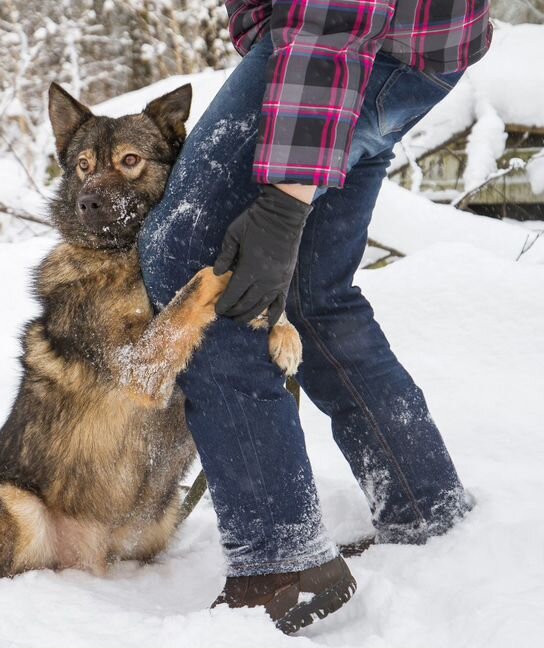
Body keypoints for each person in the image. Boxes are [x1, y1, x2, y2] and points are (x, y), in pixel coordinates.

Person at [138, 0, 492, 633]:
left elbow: (339, 11)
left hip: (343, 40)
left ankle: (281, 563)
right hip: (411, 48)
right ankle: (422, 503)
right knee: (311, 292)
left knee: (193, 258)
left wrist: (284, 200)